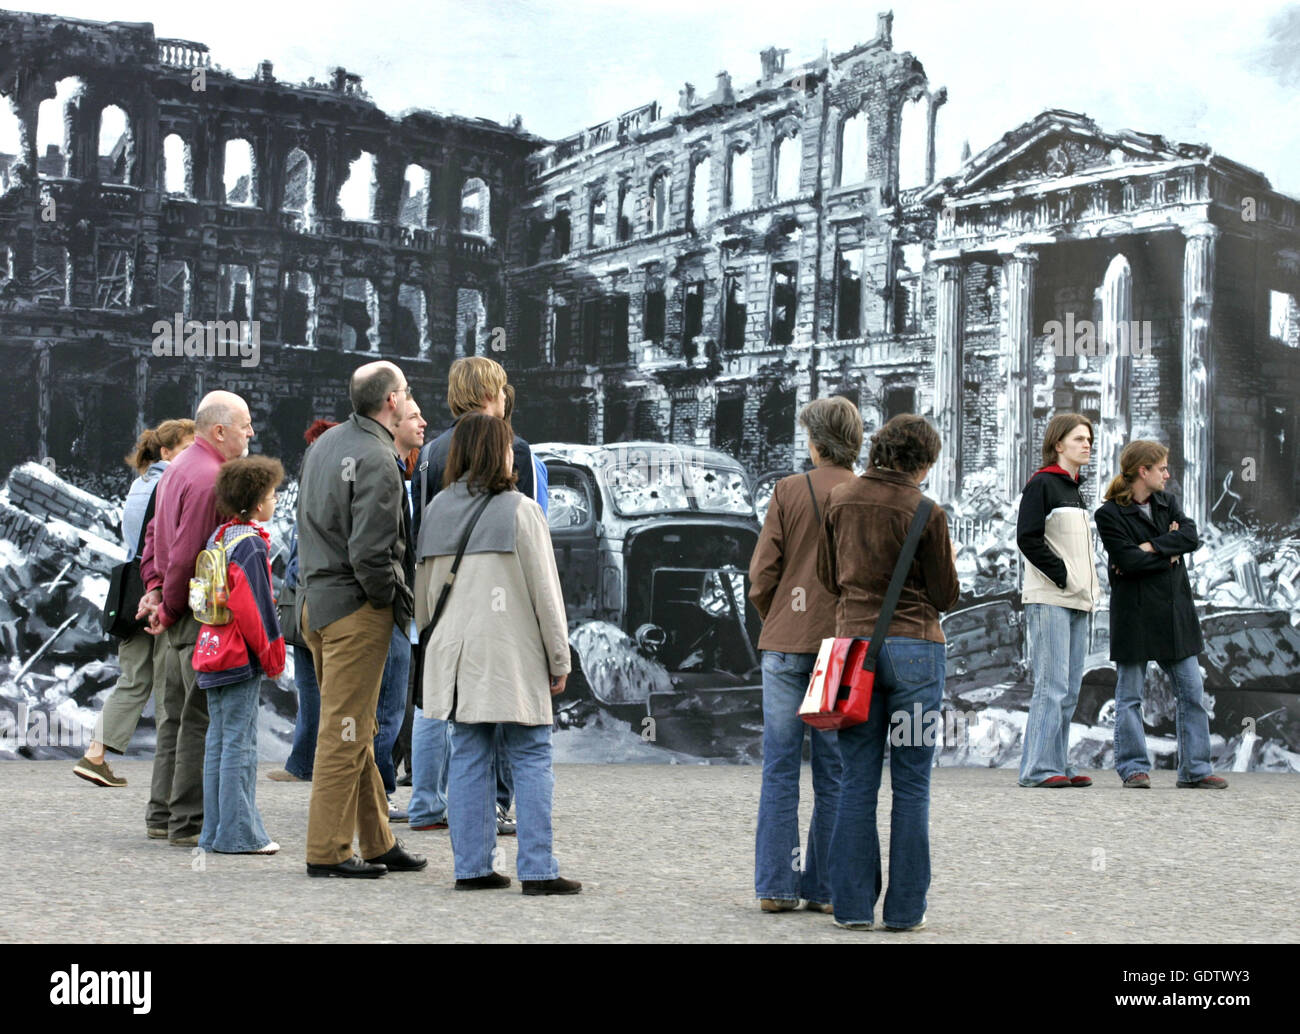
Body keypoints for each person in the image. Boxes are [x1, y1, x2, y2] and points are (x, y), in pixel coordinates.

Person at [414, 413, 579, 894]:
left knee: (467, 754)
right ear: (497, 453)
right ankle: (538, 869)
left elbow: (425, 600)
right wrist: (559, 658)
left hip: (455, 653)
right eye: (507, 447)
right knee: (529, 754)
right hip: (512, 651)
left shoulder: (437, 509)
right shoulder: (521, 510)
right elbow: (546, 594)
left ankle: (472, 867)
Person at [817, 414, 959, 931]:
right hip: (918, 653)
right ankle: (904, 912)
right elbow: (945, 595)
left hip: (853, 652)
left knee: (856, 781)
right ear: (922, 461)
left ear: (879, 450)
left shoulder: (840, 500)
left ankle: (851, 908)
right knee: (913, 785)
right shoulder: (925, 510)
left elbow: (828, 578)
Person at [296, 361, 425, 879]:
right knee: (345, 733)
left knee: (357, 726)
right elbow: (373, 554)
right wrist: (390, 602)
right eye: (407, 392)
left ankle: (377, 841)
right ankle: (326, 851)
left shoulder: (324, 445)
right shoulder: (378, 456)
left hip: (317, 606)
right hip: (355, 611)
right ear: (391, 400)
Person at [409, 357, 547, 836]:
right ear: (494, 391)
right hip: (499, 603)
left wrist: (424, 613)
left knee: (434, 706)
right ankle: (496, 806)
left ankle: (426, 802)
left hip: (443, 601)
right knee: (504, 715)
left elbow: (419, 530)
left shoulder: (428, 453)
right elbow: (532, 530)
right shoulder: (516, 448)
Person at [748, 398, 857, 914]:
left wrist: (781, 618)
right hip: (839, 650)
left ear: (815, 441)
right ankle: (824, 889)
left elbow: (762, 575)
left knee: (780, 767)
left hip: (785, 645)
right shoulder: (865, 494)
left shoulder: (788, 490)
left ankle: (775, 887)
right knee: (834, 770)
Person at [137, 392, 254, 845]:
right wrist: (167, 608)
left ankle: (162, 815)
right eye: (244, 424)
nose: (251, 433)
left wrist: (153, 589)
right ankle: (187, 822)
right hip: (193, 614)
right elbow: (187, 556)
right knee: (197, 718)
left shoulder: (178, 468)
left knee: (172, 718)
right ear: (219, 430)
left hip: (172, 611)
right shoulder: (211, 478)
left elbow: (153, 536)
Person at [1095, 441, 1226, 790]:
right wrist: (1167, 551)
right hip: (1134, 617)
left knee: (1192, 692)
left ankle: (1196, 770)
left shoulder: (1169, 503)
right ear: (1143, 471)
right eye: (1162, 468)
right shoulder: (1108, 514)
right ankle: (1134, 768)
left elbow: (1191, 536)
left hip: (1173, 614)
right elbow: (1127, 561)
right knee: (1130, 697)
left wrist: (1151, 547)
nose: (1168, 475)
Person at [74, 419, 195, 787]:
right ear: (167, 452)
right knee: (167, 682)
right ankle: (171, 773)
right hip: (158, 589)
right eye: (189, 447)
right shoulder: (172, 483)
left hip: (131, 592)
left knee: (134, 677)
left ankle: (95, 755)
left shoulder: (140, 484)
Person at [194, 456, 287, 854]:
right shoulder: (249, 544)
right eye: (271, 493)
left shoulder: (220, 535)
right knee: (240, 745)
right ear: (255, 502)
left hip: (212, 650)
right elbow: (255, 607)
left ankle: (214, 831)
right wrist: (273, 655)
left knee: (218, 742)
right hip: (238, 656)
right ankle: (239, 834)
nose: (276, 498)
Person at [1015, 413, 1100, 789]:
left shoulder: (1075, 490)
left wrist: (1083, 586)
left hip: (1079, 601)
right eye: (1079, 438)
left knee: (1070, 687)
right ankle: (1037, 768)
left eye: (1089, 440)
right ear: (1058, 444)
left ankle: (1057, 764)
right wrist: (1064, 576)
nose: (1087, 445)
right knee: (1051, 684)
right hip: (1050, 597)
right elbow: (1028, 538)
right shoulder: (1042, 485)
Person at [268, 419, 338, 784]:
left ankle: (307, 763)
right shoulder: (319, 492)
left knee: (318, 688)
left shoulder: (322, 496)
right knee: (310, 688)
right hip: (310, 603)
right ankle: (304, 762)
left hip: (316, 603)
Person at [373, 396, 427, 822]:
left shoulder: (408, 470)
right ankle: (378, 795)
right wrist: (393, 601)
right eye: (414, 417)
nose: (422, 423)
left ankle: (378, 790)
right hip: (391, 609)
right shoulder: (386, 470)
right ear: (394, 423)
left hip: (400, 609)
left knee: (395, 705)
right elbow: (380, 551)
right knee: (388, 707)